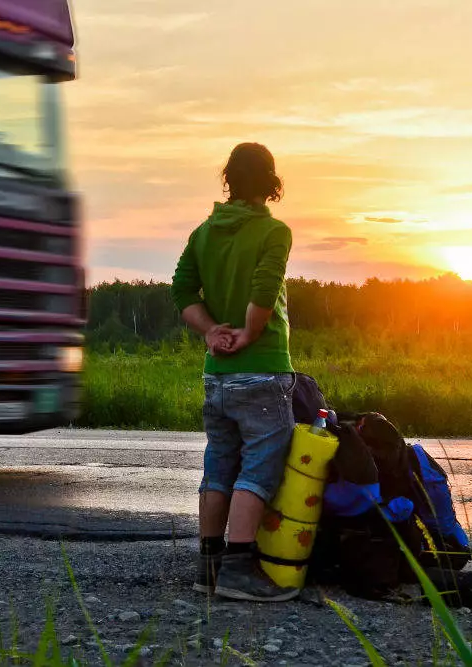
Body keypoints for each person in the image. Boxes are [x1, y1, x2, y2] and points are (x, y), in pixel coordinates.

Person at [170, 143, 297, 602]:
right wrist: (247, 333)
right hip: (260, 368)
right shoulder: (274, 232)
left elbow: (182, 288)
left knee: (219, 462)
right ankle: (241, 568)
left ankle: (209, 566)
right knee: (260, 465)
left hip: (216, 374)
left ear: (229, 179)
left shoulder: (204, 232)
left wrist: (210, 332)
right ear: (270, 182)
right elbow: (264, 289)